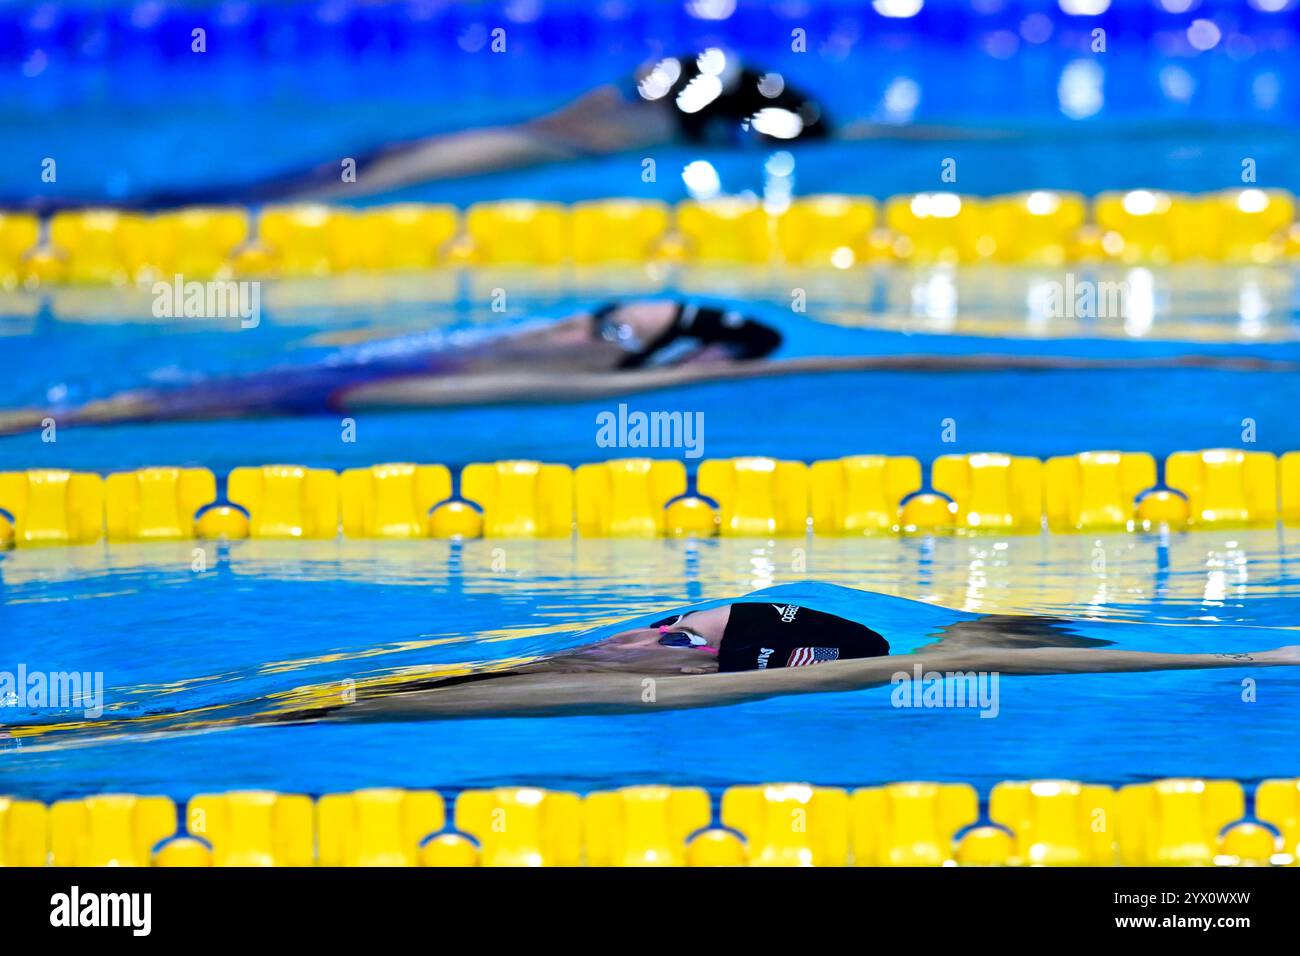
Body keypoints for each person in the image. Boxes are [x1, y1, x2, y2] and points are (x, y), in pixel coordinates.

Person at [298, 585, 1300, 722]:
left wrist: (1261, 654)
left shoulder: (860, 666)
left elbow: (1047, 659)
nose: (652, 634)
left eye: (678, 633)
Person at [0, 299, 781, 433]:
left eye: (604, 327)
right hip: (336, 374)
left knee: (117, 415)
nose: (575, 324)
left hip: (335, 397)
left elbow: (686, 377)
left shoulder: (559, 378)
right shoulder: (483, 339)